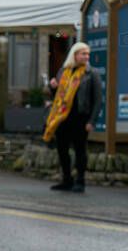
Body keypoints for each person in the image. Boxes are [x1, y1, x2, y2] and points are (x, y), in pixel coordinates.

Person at [43, 42, 103, 193]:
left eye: (87, 54)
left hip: (80, 117)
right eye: (83, 53)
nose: (86, 57)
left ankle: (80, 180)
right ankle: (66, 179)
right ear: (75, 55)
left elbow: (97, 100)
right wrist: (52, 86)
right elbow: (56, 95)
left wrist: (92, 121)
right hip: (62, 116)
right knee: (62, 149)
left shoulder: (92, 73)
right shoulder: (64, 71)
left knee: (80, 150)